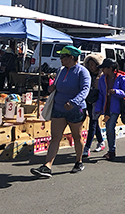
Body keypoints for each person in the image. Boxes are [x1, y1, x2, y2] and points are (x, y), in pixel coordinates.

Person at [31, 46, 91, 178]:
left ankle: (78, 161)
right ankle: (47, 166)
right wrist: (51, 88)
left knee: (77, 136)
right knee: (55, 138)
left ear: (72, 57)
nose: (60, 59)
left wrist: (74, 102)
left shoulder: (82, 72)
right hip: (58, 108)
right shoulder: (61, 70)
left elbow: (85, 90)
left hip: (75, 109)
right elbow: (55, 86)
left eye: (63, 56)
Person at [94, 58, 125, 161]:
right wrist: (98, 108)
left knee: (110, 128)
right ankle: (111, 150)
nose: (102, 70)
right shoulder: (102, 79)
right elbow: (101, 95)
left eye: (104, 68)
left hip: (116, 108)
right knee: (108, 128)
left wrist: (116, 92)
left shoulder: (121, 78)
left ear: (110, 68)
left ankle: (111, 150)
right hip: (106, 108)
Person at [82, 53, 105, 157]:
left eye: (93, 65)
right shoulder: (87, 75)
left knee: (93, 123)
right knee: (93, 121)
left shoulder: (102, 77)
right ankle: (101, 141)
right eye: (89, 65)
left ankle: (87, 147)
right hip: (89, 100)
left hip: (98, 102)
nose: (91, 67)